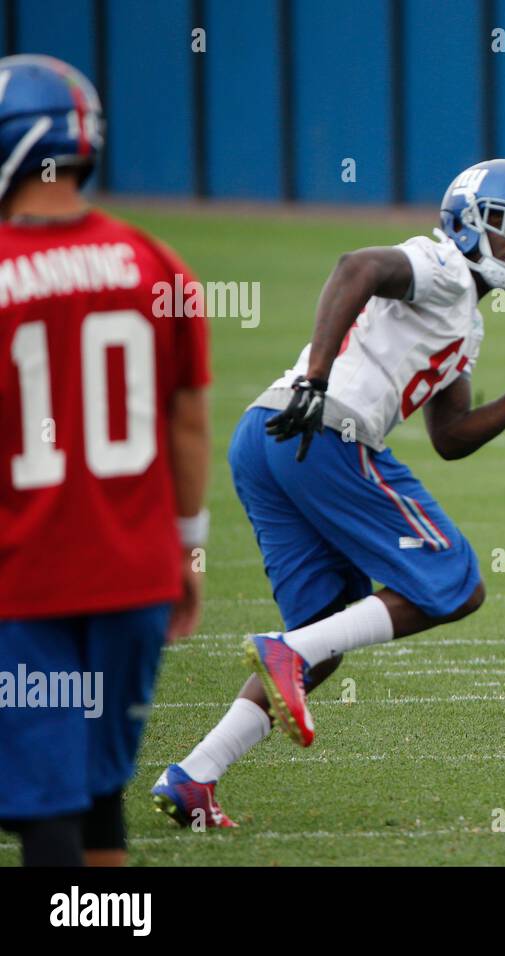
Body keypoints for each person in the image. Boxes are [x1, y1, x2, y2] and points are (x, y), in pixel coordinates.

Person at [152, 159, 505, 827]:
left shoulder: (466, 317)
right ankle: (286, 651)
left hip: (268, 438)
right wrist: (318, 378)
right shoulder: (441, 266)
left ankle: (194, 776)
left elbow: (452, 436)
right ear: (463, 220)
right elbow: (356, 266)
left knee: (321, 635)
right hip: (321, 429)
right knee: (457, 583)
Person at [0, 55, 210, 865]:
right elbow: (188, 417)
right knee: (97, 794)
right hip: (136, 575)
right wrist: (187, 544)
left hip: (28, 577)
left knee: (45, 802)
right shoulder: (153, 263)